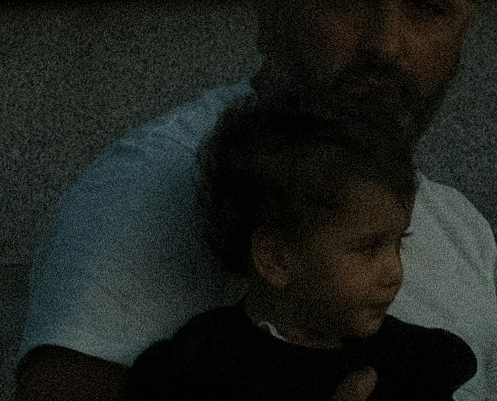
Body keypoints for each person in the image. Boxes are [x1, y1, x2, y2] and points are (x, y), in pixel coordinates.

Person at [16, 0, 497, 401]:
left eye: (427, 8)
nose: (387, 44)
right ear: (270, 8)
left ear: (463, 32)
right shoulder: (143, 198)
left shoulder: (464, 233)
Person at [123, 92, 478, 401]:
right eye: (369, 248)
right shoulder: (205, 369)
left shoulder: (406, 359)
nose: (394, 272)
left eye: (398, 242)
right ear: (276, 259)